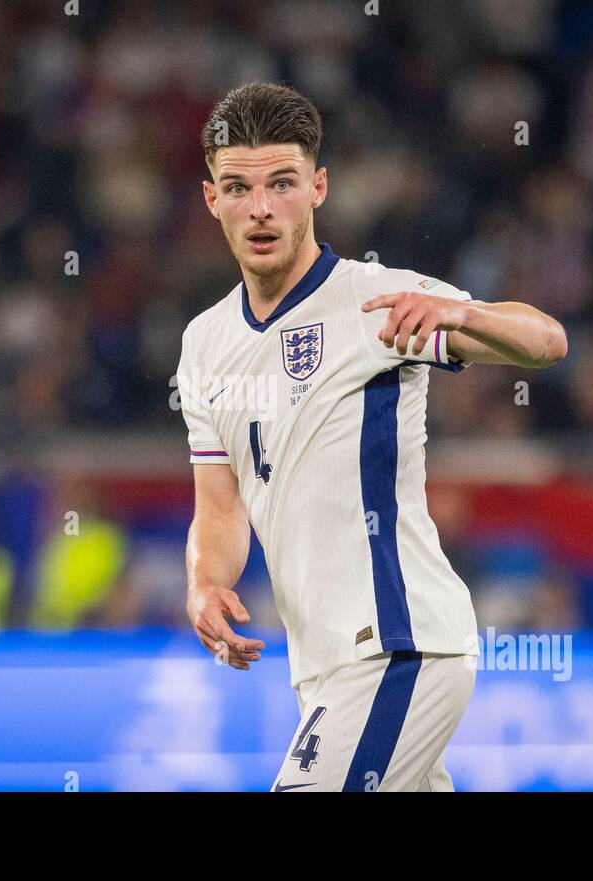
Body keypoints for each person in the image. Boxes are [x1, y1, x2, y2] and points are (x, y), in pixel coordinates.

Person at [177, 83, 568, 792]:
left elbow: (547, 340)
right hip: (322, 667)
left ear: (317, 188)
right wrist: (205, 580)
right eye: (238, 186)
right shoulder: (204, 345)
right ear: (212, 198)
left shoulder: (374, 298)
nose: (261, 208)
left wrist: (463, 313)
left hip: (396, 643)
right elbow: (221, 505)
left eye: (282, 184)